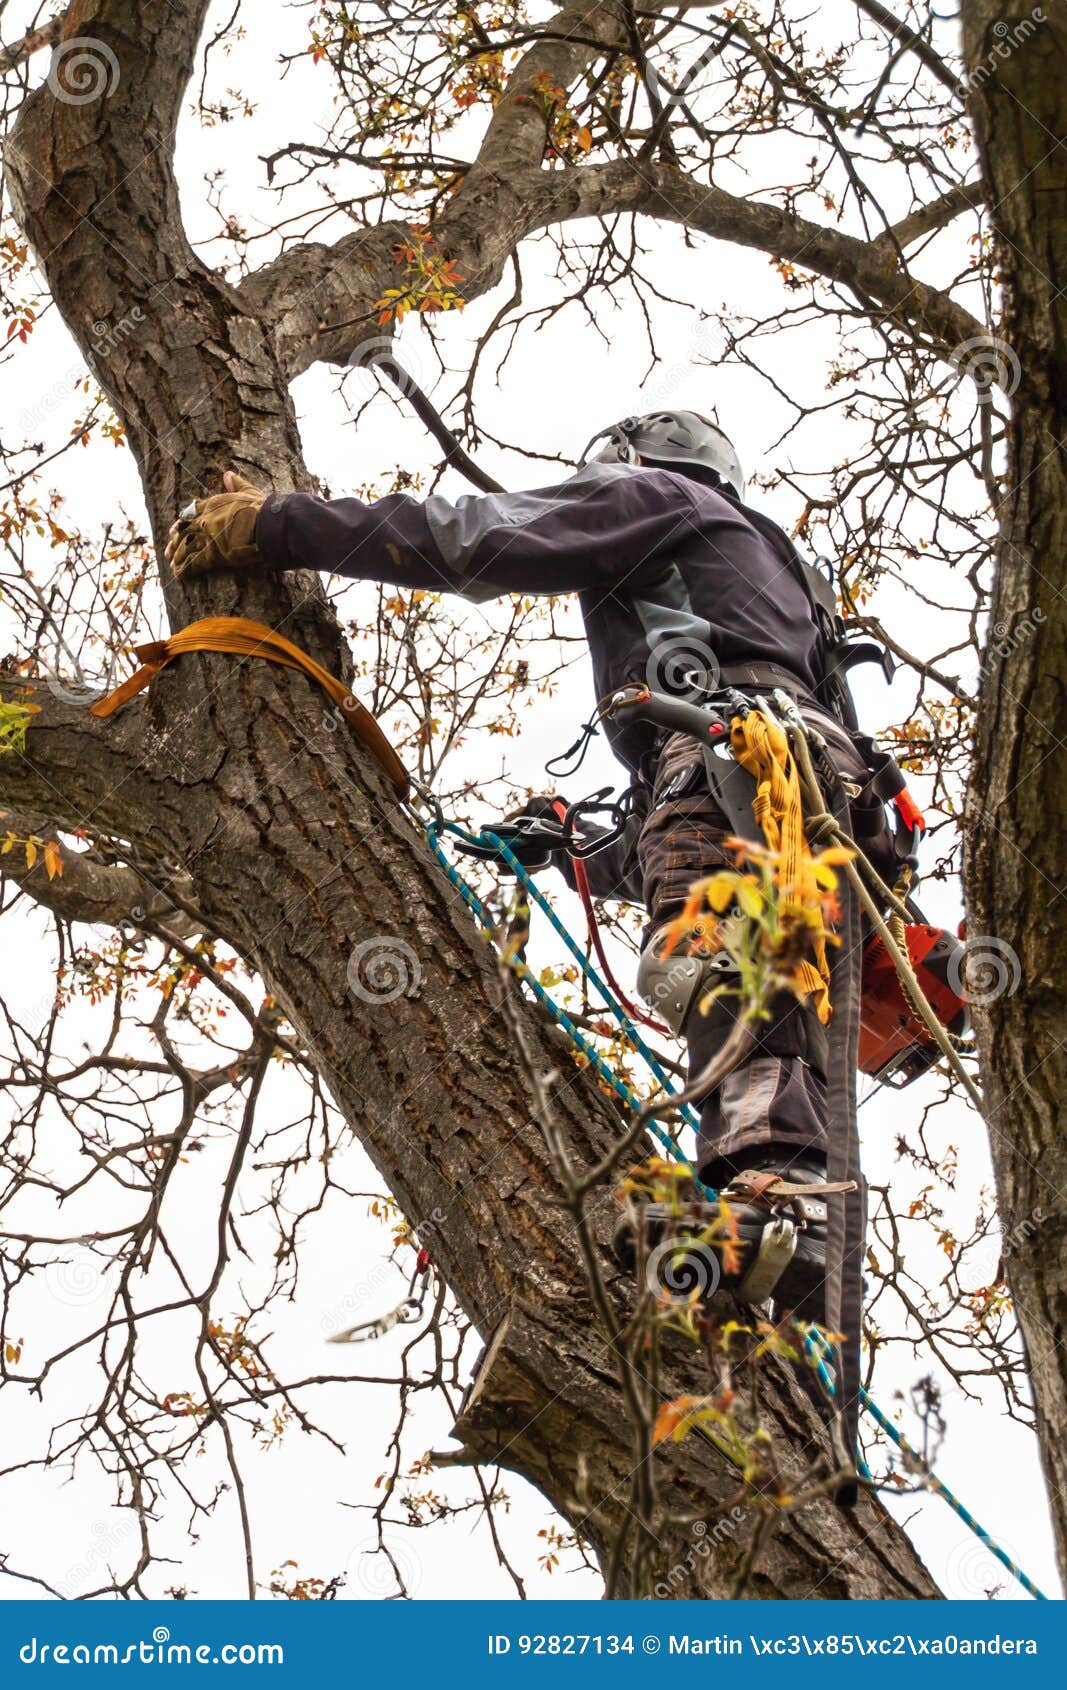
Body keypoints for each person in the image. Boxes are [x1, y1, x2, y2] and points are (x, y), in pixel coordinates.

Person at [167, 411, 894, 1316]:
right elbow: (687, 826)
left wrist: (276, 524)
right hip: (811, 794)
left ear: (635, 460)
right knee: (747, 976)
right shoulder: (787, 591)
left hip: (744, 758)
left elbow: (471, 540)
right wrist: (577, 854)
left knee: (711, 966)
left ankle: (786, 1213)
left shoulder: (658, 500)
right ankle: (784, 1235)